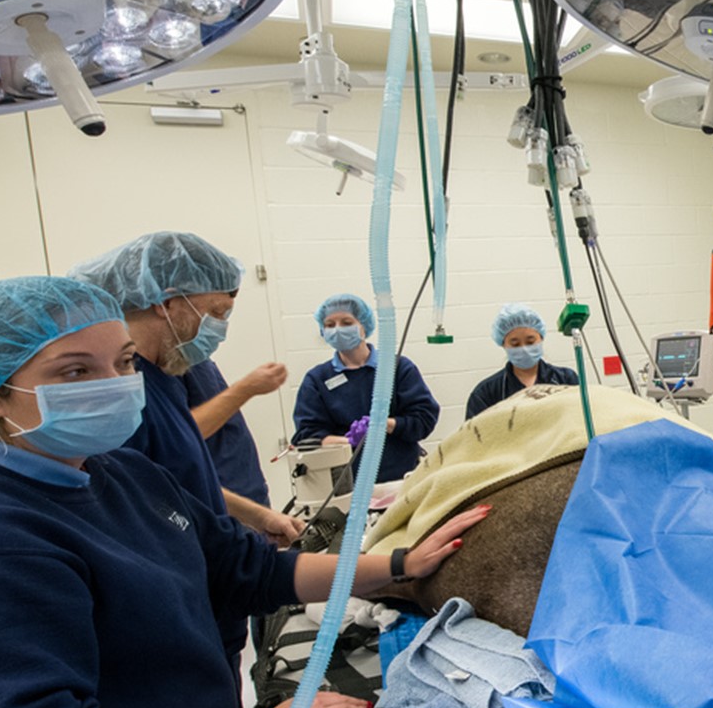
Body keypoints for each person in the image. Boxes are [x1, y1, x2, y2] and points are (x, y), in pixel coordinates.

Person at [0, 276, 487, 708]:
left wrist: (399, 567)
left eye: (124, 362)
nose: (114, 384)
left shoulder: (116, 472)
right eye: (74, 371)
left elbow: (245, 571)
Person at [68, 231, 303, 546]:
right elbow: (143, 497)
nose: (220, 326)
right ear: (166, 303)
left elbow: (182, 477)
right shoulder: (126, 390)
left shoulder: (167, 376)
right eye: (216, 313)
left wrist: (258, 516)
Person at [293, 293, 441, 484]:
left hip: (401, 478)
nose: (338, 330)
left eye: (346, 322)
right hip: (345, 483)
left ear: (364, 326)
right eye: (330, 325)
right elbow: (307, 436)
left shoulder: (396, 368)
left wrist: (384, 425)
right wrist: (349, 441)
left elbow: (424, 418)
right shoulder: (317, 379)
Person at [181, 359, 285, 511]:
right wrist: (246, 388)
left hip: (250, 493)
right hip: (222, 505)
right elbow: (181, 434)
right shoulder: (173, 368)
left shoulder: (202, 362)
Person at [465, 302, 579, 420]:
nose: (524, 349)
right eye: (515, 344)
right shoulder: (486, 393)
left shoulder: (566, 379)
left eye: (530, 342)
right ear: (503, 345)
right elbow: (473, 435)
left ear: (541, 338)